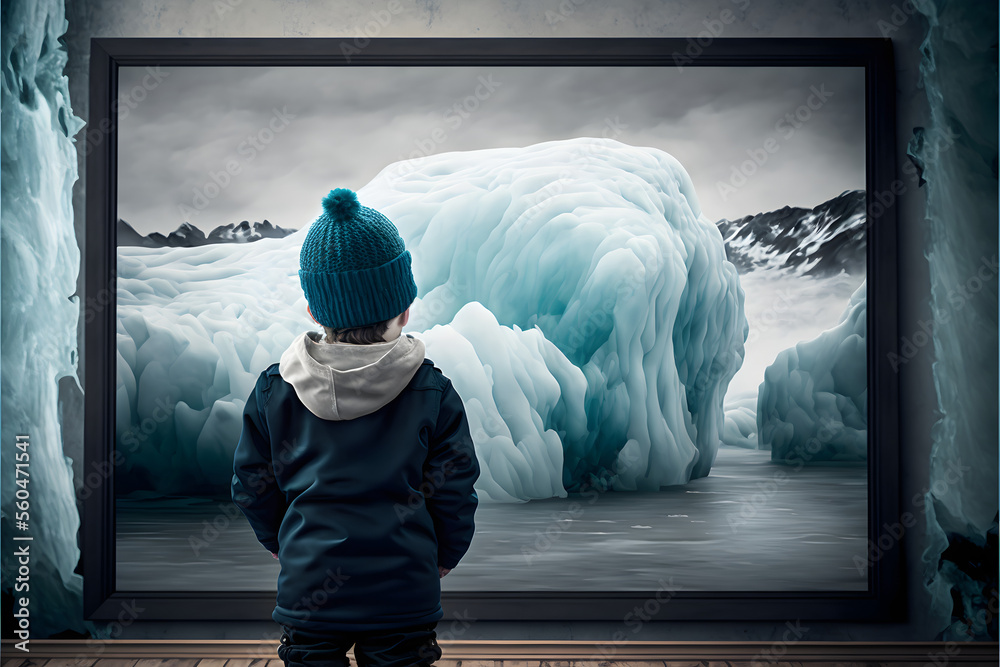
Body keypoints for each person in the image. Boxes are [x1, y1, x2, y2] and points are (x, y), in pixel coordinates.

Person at [231, 187, 480, 667]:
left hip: (308, 591)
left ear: (314, 310)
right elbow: (454, 488)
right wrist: (445, 555)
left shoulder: (274, 390)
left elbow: (251, 486)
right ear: (404, 308)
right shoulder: (432, 392)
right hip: (403, 591)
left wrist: (285, 546)